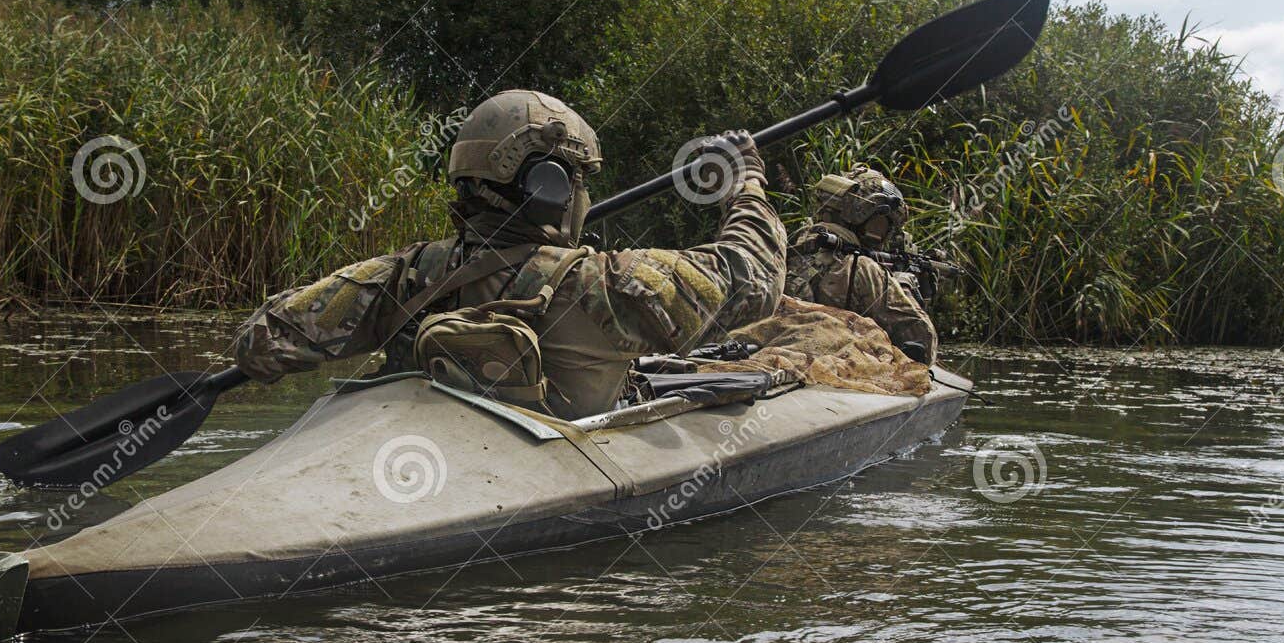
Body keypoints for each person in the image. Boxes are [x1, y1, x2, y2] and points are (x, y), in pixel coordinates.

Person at [233, 90, 787, 418]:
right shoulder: (605, 285)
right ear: (548, 186)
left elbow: (260, 341)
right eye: (577, 181)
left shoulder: (404, 276)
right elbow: (756, 274)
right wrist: (747, 183)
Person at [784, 165, 938, 365]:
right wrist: (905, 286)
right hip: (835, 374)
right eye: (882, 224)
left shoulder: (790, 250)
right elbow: (923, 343)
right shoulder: (862, 268)